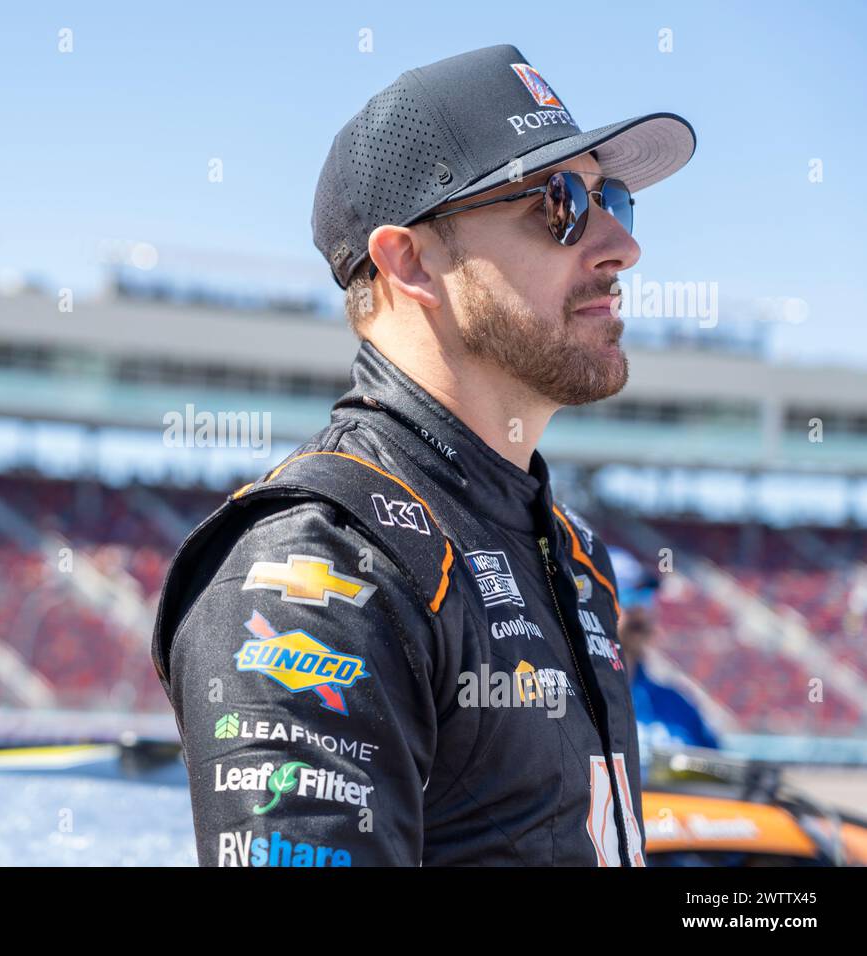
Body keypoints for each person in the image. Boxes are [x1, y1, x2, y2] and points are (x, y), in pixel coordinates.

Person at [151, 44, 696, 866]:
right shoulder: (315, 561)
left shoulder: (575, 553)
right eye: (562, 202)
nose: (622, 244)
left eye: (612, 195)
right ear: (409, 261)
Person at [607, 546, 722, 767]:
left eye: (645, 597)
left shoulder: (676, 704)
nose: (640, 609)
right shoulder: (568, 705)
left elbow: (719, 777)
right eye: (627, 596)